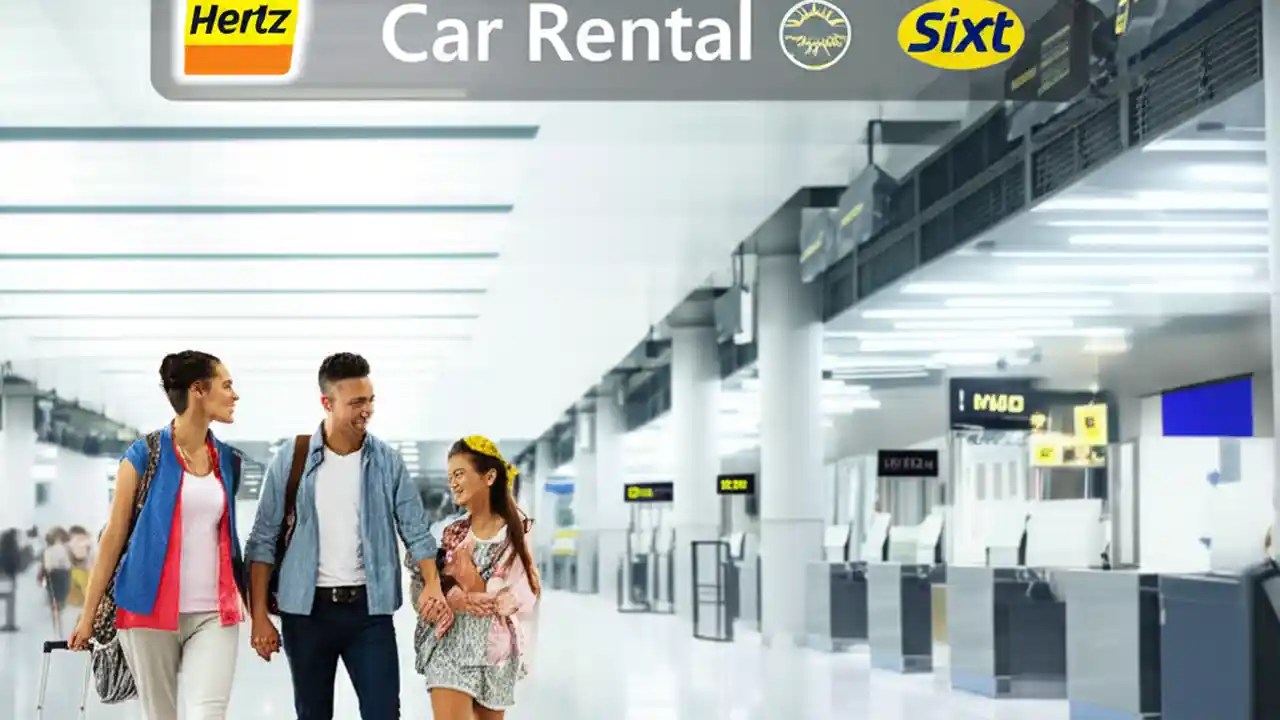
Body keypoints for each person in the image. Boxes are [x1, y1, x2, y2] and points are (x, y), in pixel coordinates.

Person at [245, 352, 449, 720]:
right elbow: (262, 540)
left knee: (384, 711)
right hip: (305, 614)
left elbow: (416, 531)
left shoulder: (387, 461)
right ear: (327, 402)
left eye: (370, 399)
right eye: (356, 402)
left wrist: (432, 582)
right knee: (312, 713)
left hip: (369, 612)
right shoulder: (292, 459)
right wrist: (259, 616)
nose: (367, 409)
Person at [68, 351, 246, 720]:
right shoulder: (142, 454)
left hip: (214, 612)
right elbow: (113, 540)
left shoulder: (228, 460)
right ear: (199, 390)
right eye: (226, 385)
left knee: (209, 713)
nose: (235, 394)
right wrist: (87, 616)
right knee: (160, 715)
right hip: (146, 611)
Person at [410, 436, 540, 720]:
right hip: (450, 645)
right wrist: (449, 591)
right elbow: (430, 581)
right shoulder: (451, 532)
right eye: (449, 477)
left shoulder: (518, 535)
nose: (453, 483)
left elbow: (525, 593)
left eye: (459, 474)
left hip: (494, 653)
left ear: (489, 476)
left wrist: (481, 587)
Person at [39, 526, 72, 632]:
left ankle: (57, 621)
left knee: (55, 599)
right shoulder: (64, 549)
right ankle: (58, 620)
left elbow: (47, 566)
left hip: (54, 575)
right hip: (61, 574)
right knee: (59, 599)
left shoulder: (49, 550)